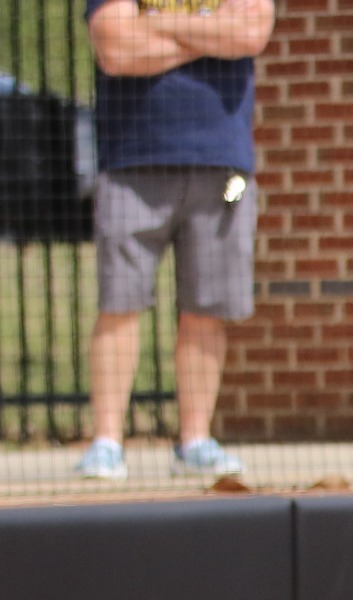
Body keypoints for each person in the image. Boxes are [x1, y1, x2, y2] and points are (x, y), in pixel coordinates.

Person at [74, 0, 274, 483]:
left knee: (208, 306)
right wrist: (206, 31)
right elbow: (115, 49)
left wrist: (156, 23)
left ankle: (195, 441)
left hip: (223, 160)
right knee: (120, 300)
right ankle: (106, 443)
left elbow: (250, 34)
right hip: (130, 158)